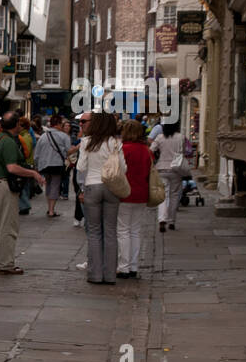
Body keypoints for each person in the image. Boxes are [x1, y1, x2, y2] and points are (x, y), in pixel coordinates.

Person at [0, 111, 44, 275]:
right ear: (16, 125)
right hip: (6, 185)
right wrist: (33, 173)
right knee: (8, 226)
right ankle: (6, 263)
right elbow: (12, 167)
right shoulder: (9, 142)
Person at [76, 111, 127, 284]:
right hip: (111, 187)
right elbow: (123, 168)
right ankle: (110, 275)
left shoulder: (86, 142)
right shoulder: (115, 143)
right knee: (111, 232)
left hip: (92, 185)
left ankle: (95, 275)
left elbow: (81, 167)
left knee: (94, 232)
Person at [117, 119, 153, 278]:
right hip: (142, 193)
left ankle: (123, 266)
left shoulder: (123, 149)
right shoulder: (146, 150)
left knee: (123, 230)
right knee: (135, 230)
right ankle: (133, 265)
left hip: (125, 193)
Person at [34, 113, 72, 219]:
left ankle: (49, 207)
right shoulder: (64, 136)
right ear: (59, 124)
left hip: (44, 165)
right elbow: (68, 151)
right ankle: (51, 210)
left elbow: (36, 153)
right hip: (57, 164)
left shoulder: (43, 136)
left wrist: (36, 166)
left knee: (49, 185)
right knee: (55, 185)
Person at [152, 121, 188, 232]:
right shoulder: (181, 137)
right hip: (176, 169)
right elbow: (183, 151)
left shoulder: (160, 137)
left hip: (162, 167)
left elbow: (151, 149)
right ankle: (172, 221)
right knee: (174, 195)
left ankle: (162, 219)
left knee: (164, 195)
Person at [15, 115, 35, 215]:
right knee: (24, 186)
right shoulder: (25, 136)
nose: (17, 126)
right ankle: (24, 205)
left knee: (23, 187)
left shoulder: (24, 137)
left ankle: (25, 206)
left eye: (19, 125)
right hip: (27, 163)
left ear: (22, 126)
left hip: (25, 164)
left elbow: (25, 153)